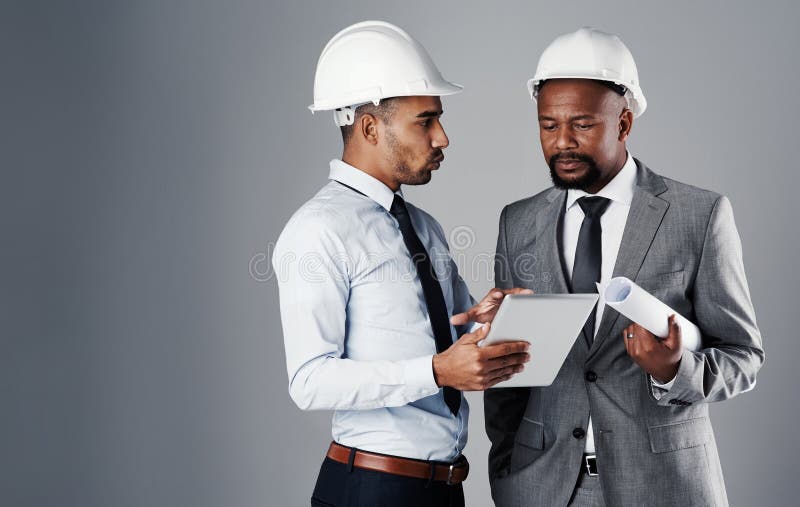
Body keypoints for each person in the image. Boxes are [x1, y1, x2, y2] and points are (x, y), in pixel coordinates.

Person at [467, 27, 764, 506]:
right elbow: (511, 374)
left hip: (662, 486)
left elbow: (743, 356)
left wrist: (673, 371)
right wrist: (506, 470)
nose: (562, 142)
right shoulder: (518, 221)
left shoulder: (699, 215)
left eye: (582, 125)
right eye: (548, 125)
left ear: (624, 124)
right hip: (542, 489)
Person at [273, 21, 531, 507]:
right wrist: (434, 372)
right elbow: (309, 381)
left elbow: (447, 339)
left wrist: (490, 323)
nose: (443, 138)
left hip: (443, 489)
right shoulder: (319, 230)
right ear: (370, 127)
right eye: (425, 120)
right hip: (372, 489)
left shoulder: (424, 226)